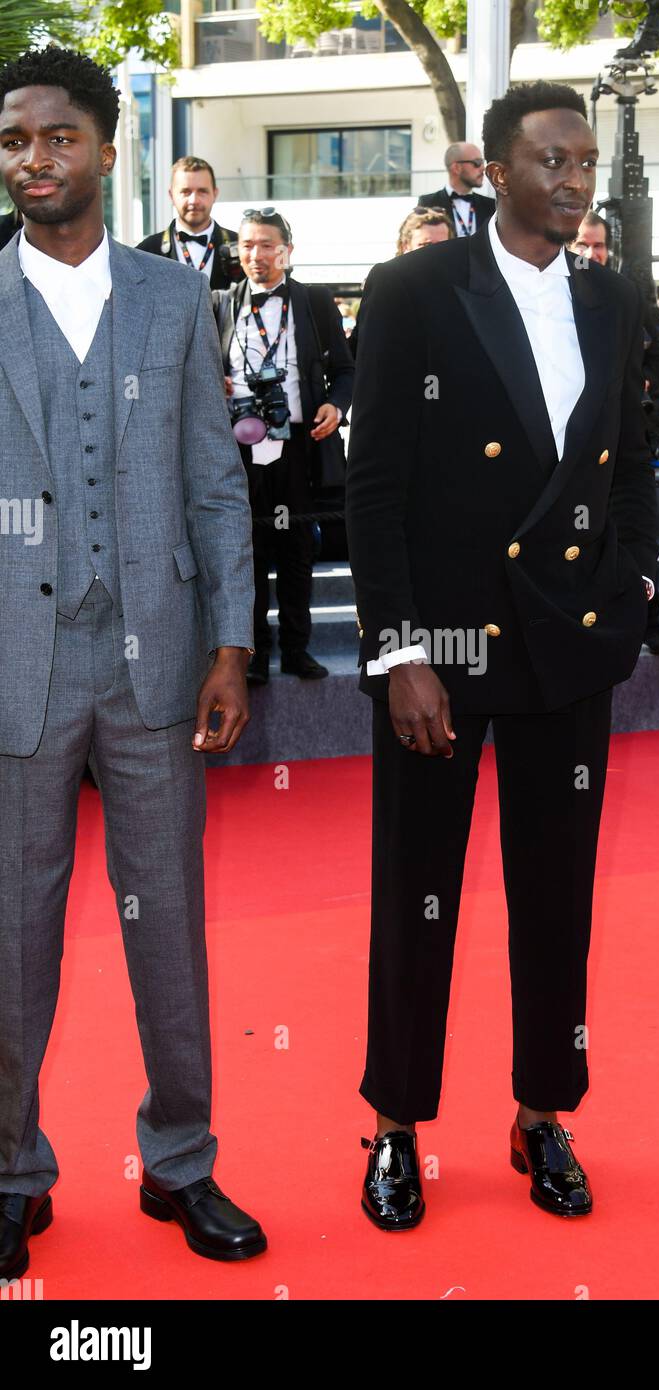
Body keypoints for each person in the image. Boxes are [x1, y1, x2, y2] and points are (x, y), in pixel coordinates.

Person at [346, 80, 658, 1231]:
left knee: (556, 893)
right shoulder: (415, 288)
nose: (573, 181)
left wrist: (627, 577)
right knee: (416, 893)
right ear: (496, 166)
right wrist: (395, 652)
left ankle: (541, 1113)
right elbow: (371, 488)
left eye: (584, 162)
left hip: (565, 643)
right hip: (444, 642)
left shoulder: (612, 298)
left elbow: (626, 459)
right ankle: (394, 1125)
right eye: (552, 161)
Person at [0, 46, 265, 1279]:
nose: (32, 160)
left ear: (108, 149)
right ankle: (12, 1168)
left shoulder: (171, 296)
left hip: (157, 664)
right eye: (13, 142)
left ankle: (182, 1163)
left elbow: (216, 479)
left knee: (169, 929)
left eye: (56, 138)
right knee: (13, 934)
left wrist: (231, 642)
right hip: (16, 670)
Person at [213, 208, 354, 683]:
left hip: (298, 444)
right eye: (248, 244)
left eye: (267, 244)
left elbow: (347, 371)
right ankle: (252, 653)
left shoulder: (314, 302)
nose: (257, 254)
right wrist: (219, 383)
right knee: (245, 553)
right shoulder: (221, 302)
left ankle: (297, 648)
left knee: (297, 551)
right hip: (241, 450)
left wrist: (336, 406)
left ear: (287, 251)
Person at [573, 211, 659, 655]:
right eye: (582, 244)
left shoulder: (624, 298)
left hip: (620, 445)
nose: (590, 253)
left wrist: (647, 380)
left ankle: (649, 617)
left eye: (597, 245)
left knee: (629, 539)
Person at [137, 155, 238, 290]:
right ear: (171, 195)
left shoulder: (241, 247)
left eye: (202, 191)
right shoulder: (146, 252)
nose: (194, 200)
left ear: (215, 194)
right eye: (185, 192)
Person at [416, 141, 495, 238]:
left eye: (483, 163)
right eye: (477, 163)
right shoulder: (428, 203)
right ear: (456, 168)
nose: (483, 168)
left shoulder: (491, 205)